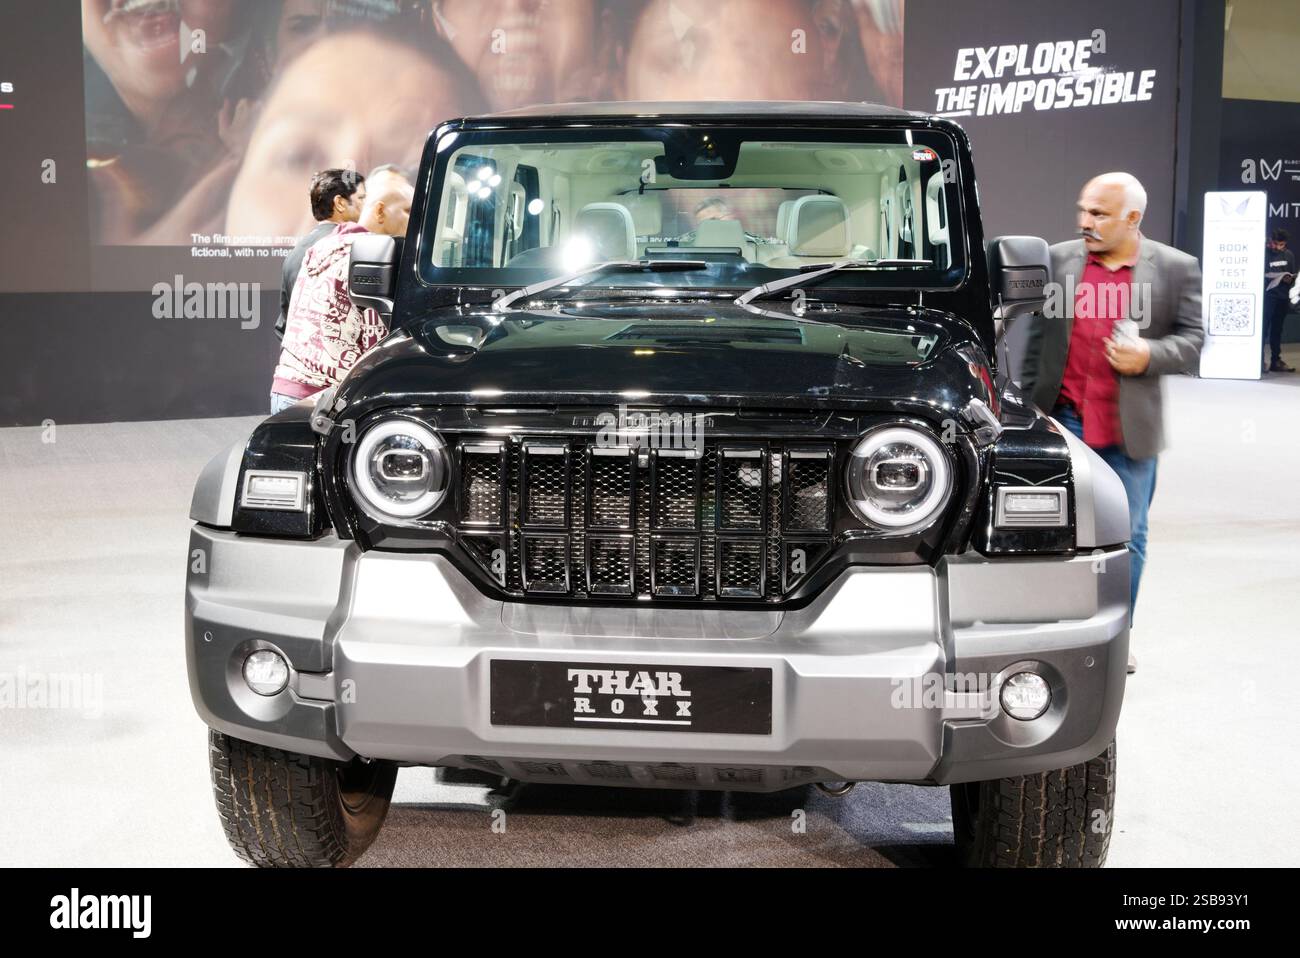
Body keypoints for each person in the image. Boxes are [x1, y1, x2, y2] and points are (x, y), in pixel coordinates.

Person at [1020, 172, 1205, 674]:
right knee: (1053, 529)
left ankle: (1115, 635)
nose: (1085, 222)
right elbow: (1037, 344)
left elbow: (1193, 342)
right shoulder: (1057, 261)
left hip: (1128, 431)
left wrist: (1149, 353)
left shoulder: (1174, 268)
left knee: (1130, 536)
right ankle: (1056, 630)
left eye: (1099, 214)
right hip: (1063, 421)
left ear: (1132, 219)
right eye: (1083, 210)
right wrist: (1026, 411)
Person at [269, 173, 415, 413]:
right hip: (324, 401)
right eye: (408, 211)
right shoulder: (373, 256)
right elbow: (378, 346)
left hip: (286, 389)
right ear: (379, 212)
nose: (414, 221)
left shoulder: (322, 247)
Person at [275, 168, 367, 341]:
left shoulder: (293, 255)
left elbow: (286, 326)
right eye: (361, 198)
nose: (366, 205)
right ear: (340, 203)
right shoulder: (356, 247)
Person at [1263, 228, 1296, 373]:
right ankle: (1258, 361)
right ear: (1271, 241)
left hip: (1282, 297)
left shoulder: (1289, 255)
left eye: (1281, 244)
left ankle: (1276, 361)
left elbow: (1292, 274)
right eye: (1275, 244)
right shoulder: (1265, 254)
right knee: (1263, 330)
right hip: (1268, 296)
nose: (1277, 247)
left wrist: (1289, 278)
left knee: (1277, 330)